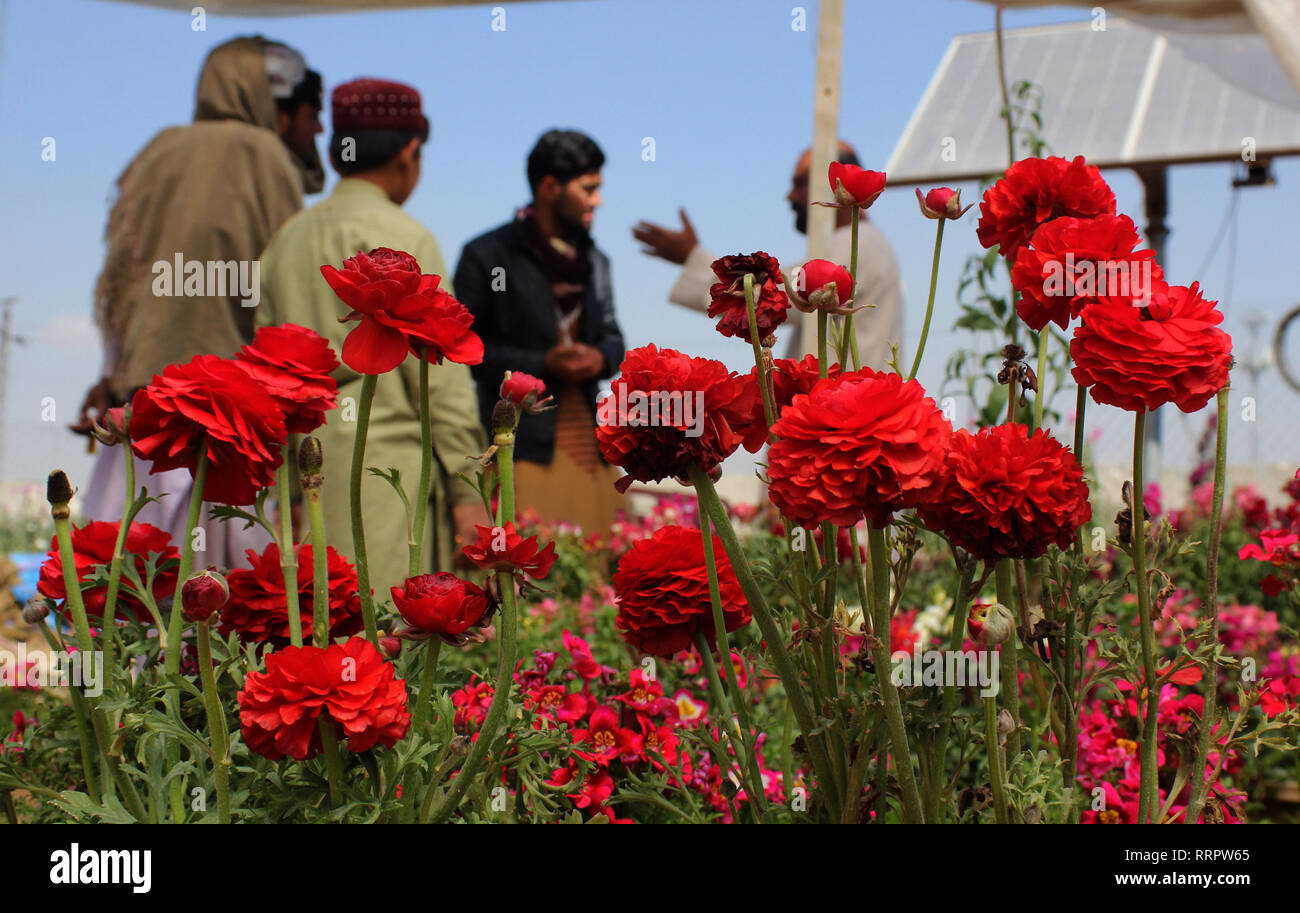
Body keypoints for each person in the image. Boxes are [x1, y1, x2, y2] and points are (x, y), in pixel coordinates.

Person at [75, 36, 325, 568]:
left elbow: (124, 281)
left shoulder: (156, 151)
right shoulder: (266, 159)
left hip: (141, 419)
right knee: (215, 620)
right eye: (313, 113)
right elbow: (286, 309)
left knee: (127, 604)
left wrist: (115, 376)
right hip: (222, 431)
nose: (319, 130)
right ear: (280, 110)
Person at [257, 78, 488, 586]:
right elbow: (443, 382)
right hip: (388, 477)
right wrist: (470, 490)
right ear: (410, 151)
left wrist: (285, 493)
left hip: (309, 468)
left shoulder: (285, 240)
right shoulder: (407, 237)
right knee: (388, 642)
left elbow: (265, 377)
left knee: (319, 636)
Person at [454, 129, 626, 535]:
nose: (598, 200)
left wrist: (601, 357)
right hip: (518, 447)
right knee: (532, 573)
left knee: (595, 583)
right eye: (589, 189)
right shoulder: (487, 256)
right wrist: (541, 364)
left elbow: (615, 338)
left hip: (592, 447)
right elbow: (464, 351)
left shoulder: (595, 261)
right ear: (550, 187)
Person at [633, 142, 904, 371]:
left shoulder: (856, 244)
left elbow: (774, 300)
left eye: (800, 184)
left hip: (846, 418)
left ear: (835, 186)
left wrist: (692, 256)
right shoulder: (857, 242)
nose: (790, 195)